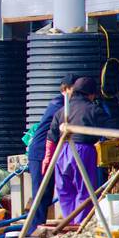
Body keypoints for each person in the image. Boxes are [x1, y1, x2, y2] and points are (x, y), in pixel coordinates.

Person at [44, 76, 110, 223]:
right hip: (83, 151)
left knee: (65, 191)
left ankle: (69, 223)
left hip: (61, 153)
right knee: (84, 191)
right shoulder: (93, 109)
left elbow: (52, 136)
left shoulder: (61, 111)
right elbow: (111, 130)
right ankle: (80, 226)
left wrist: (47, 158)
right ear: (90, 94)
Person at [26, 74, 77, 226]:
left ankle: (35, 231)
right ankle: (31, 235)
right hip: (41, 153)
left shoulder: (64, 103)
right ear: (66, 88)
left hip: (51, 152)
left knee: (46, 197)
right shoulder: (59, 104)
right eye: (76, 89)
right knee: (41, 196)